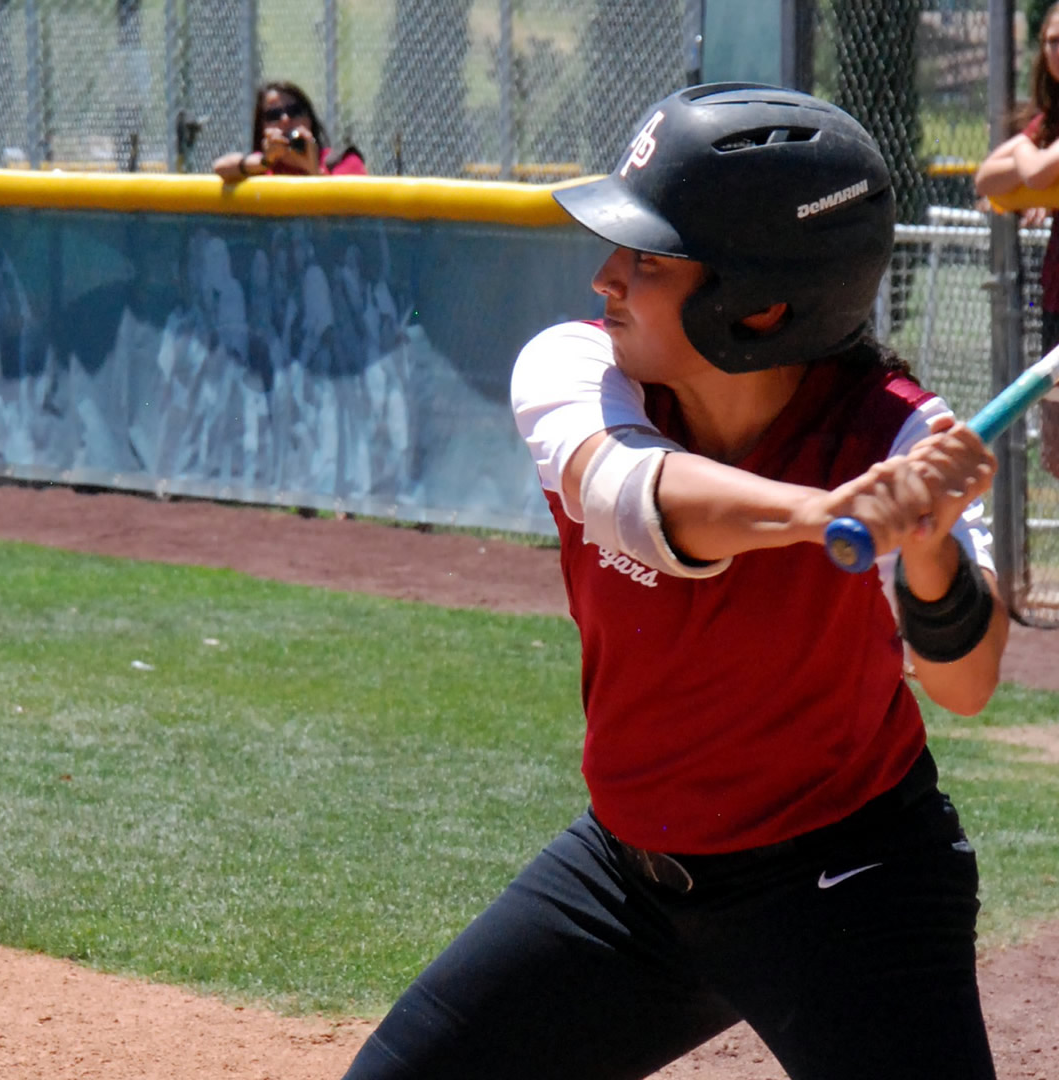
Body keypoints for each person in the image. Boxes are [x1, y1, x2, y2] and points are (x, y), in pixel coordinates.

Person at [343, 84, 1007, 1080]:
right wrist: (822, 514)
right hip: (630, 886)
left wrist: (924, 547)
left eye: (649, 260)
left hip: (848, 886)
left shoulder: (903, 436)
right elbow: (633, 499)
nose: (606, 277)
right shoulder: (576, 365)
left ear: (759, 307)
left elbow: (966, 681)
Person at [975, 0, 1059, 527]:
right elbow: (987, 178)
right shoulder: (1053, 119)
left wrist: (1025, 158)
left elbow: (1032, 174)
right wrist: (1028, 152)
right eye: (1054, 41)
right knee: (1057, 453)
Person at [213, 81, 366, 179]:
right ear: (262, 128)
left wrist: (313, 169)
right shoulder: (262, 167)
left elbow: (348, 209)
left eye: (295, 111)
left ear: (309, 119)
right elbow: (220, 167)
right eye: (273, 115)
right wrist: (265, 161)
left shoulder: (342, 161)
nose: (285, 119)